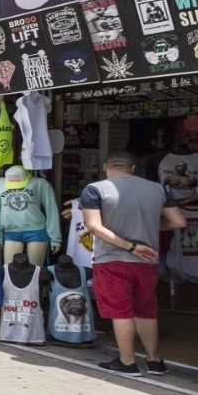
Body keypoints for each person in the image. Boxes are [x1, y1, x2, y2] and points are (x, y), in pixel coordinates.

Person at [78, 151, 187, 373]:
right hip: (147, 260)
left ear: (106, 167)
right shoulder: (157, 189)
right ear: (133, 168)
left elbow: (94, 227)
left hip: (112, 259)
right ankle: (154, 361)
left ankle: (127, 361)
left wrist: (130, 246)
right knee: (145, 310)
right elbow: (178, 221)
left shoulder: (96, 189)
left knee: (121, 311)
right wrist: (151, 228)